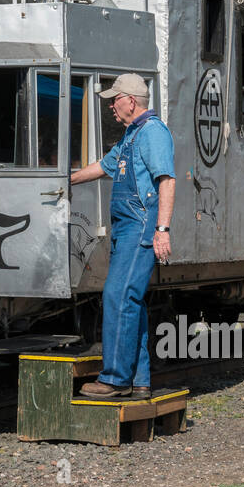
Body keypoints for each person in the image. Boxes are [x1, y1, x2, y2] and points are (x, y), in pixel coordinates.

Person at [68, 73, 175, 399]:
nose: (111, 107)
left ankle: (114, 380)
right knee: (133, 303)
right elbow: (103, 166)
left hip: (140, 227)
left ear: (130, 101)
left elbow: (167, 181)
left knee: (118, 297)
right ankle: (140, 381)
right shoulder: (132, 135)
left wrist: (162, 230)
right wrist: (64, 181)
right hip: (126, 228)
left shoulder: (153, 133)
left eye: (114, 100)